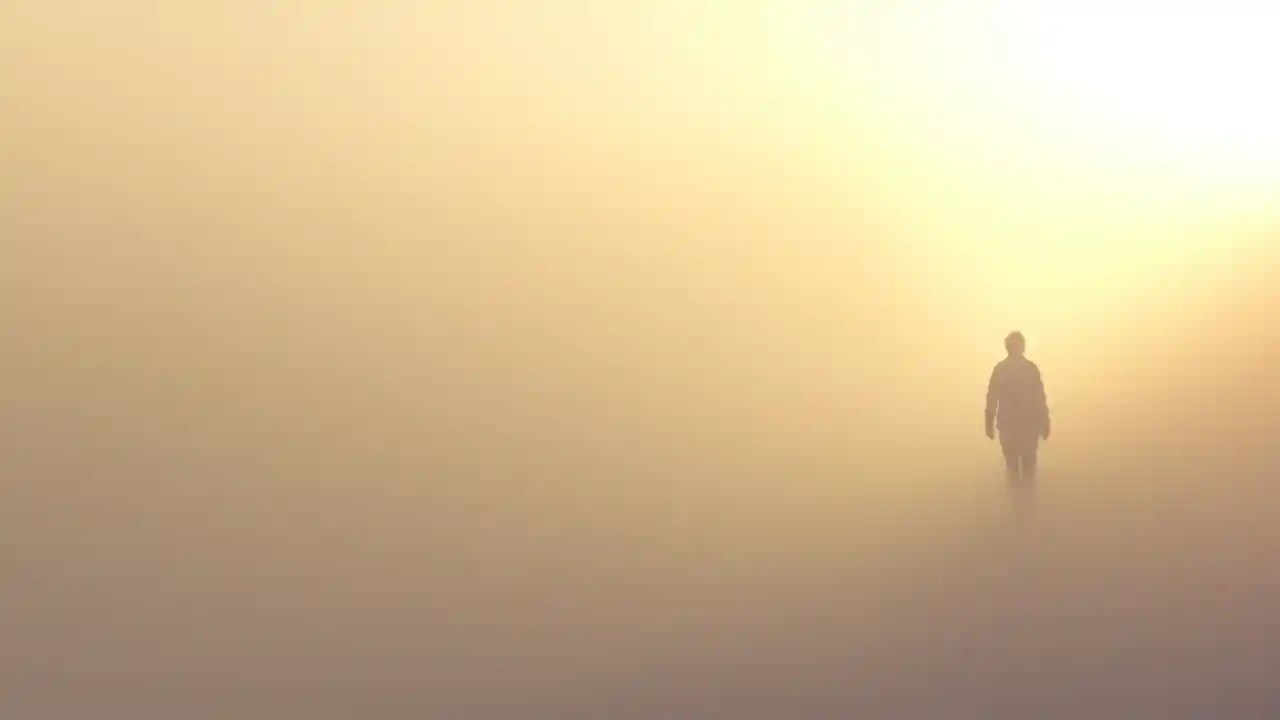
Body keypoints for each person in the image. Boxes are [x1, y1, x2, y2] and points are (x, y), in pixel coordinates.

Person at [985, 332, 1050, 487]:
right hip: (1016, 427)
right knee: (1021, 469)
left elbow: (1039, 397)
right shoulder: (1022, 369)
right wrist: (1045, 422)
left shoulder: (1004, 369)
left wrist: (1045, 422)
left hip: (1020, 426)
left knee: (1019, 469)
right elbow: (992, 397)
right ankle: (1022, 504)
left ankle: (1020, 504)